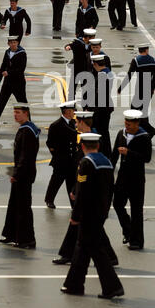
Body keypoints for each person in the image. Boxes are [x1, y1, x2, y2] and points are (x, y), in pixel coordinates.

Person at [61, 133, 124, 299]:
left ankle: (112, 287)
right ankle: (74, 284)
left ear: (83, 146)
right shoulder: (107, 162)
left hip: (88, 214)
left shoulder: (86, 163)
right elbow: (111, 188)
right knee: (83, 249)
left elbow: (82, 192)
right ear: (98, 145)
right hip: (100, 212)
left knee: (95, 251)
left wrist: (75, 215)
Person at [53, 112, 118, 266]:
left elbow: (93, 168)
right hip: (85, 186)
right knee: (92, 227)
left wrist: (78, 190)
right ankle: (109, 256)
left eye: (77, 122)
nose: (75, 124)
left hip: (91, 189)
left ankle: (68, 254)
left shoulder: (93, 141)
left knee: (79, 222)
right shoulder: (87, 137)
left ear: (82, 122)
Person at [0, 104, 40, 248]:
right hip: (23, 173)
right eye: (14, 112)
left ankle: (26, 239)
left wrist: (16, 174)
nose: (15, 115)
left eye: (18, 112)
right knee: (15, 205)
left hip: (23, 174)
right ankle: (11, 234)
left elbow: (25, 156)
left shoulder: (27, 131)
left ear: (26, 113)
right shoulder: (28, 128)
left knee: (23, 207)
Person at [112, 110, 152, 250]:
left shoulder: (144, 137)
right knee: (117, 204)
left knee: (136, 211)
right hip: (122, 177)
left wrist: (129, 153)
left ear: (137, 123)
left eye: (129, 124)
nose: (126, 126)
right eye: (125, 123)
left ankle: (136, 241)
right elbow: (114, 155)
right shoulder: (121, 134)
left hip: (137, 179)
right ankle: (128, 230)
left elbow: (147, 158)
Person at [0, 37, 27, 132]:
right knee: (0, 103)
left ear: (18, 43)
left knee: (23, 104)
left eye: (14, 42)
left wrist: (9, 73)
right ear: (8, 43)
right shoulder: (7, 52)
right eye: (11, 43)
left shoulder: (22, 53)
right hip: (7, 83)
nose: (13, 44)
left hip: (18, 84)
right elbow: (3, 65)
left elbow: (21, 69)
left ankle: (28, 124)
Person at [118, 43, 155, 136]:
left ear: (139, 50)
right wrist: (152, 88)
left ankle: (150, 130)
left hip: (139, 88)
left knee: (134, 111)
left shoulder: (136, 60)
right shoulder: (153, 60)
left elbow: (129, 75)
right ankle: (145, 133)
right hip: (149, 89)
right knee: (144, 111)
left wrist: (121, 87)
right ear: (147, 50)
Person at [45, 100, 78, 208]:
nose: (74, 113)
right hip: (61, 160)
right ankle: (49, 200)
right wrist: (57, 156)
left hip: (71, 160)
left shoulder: (73, 123)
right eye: (72, 111)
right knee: (56, 182)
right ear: (67, 112)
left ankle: (73, 204)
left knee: (72, 183)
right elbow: (50, 143)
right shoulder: (56, 125)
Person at [88, 55, 114, 158]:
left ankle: (104, 153)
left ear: (95, 64)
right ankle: (107, 153)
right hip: (106, 106)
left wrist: (93, 109)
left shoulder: (102, 75)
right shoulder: (108, 72)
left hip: (101, 107)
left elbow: (99, 94)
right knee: (104, 131)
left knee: (100, 131)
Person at [65, 29, 96, 99]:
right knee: (72, 87)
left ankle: (85, 105)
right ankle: (71, 103)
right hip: (77, 68)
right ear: (88, 37)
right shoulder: (77, 42)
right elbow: (70, 45)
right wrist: (68, 47)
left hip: (86, 68)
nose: (93, 39)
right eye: (92, 38)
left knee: (85, 88)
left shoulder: (92, 44)